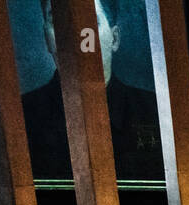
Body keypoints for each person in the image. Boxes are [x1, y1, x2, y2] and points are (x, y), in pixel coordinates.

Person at [22, 0, 163, 183]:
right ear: (46, 38)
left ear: (114, 38)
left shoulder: (158, 112)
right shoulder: (18, 119)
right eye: (58, 21)